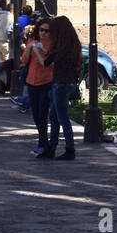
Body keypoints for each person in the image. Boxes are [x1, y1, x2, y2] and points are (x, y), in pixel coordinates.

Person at [43, 15, 83, 161]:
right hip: (70, 84)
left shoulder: (59, 47)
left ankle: (69, 149)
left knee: (62, 118)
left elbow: (46, 62)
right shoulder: (74, 45)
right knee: (54, 116)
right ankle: (52, 148)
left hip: (60, 84)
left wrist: (39, 50)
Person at [22, 19, 54, 156]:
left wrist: (41, 52)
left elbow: (51, 64)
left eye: (46, 31)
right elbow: (24, 60)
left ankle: (43, 144)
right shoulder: (32, 42)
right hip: (31, 81)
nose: (43, 33)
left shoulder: (52, 44)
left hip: (46, 81)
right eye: (41, 30)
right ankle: (43, 143)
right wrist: (29, 49)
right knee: (36, 115)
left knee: (42, 114)